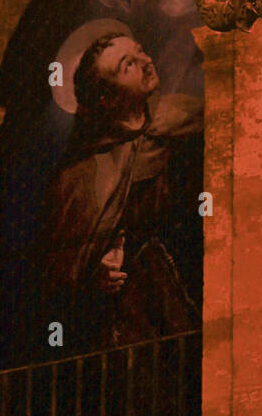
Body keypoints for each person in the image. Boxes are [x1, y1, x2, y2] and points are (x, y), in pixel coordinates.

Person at [38, 32, 203, 355]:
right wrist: (94, 273)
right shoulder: (80, 176)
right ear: (107, 98)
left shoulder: (181, 119)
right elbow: (58, 272)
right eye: (128, 65)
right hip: (132, 319)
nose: (145, 62)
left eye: (140, 51)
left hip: (194, 288)